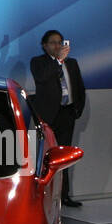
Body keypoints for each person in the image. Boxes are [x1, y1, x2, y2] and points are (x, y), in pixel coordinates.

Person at [30, 29, 86, 207]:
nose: (58, 45)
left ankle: (64, 195)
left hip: (67, 113)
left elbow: (79, 88)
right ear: (44, 45)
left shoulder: (73, 63)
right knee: (46, 156)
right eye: (53, 42)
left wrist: (77, 110)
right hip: (48, 115)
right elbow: (42, 78)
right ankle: (42, 195)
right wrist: (58, 61)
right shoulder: (38, 62)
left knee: (65, 157)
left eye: (60, 42)